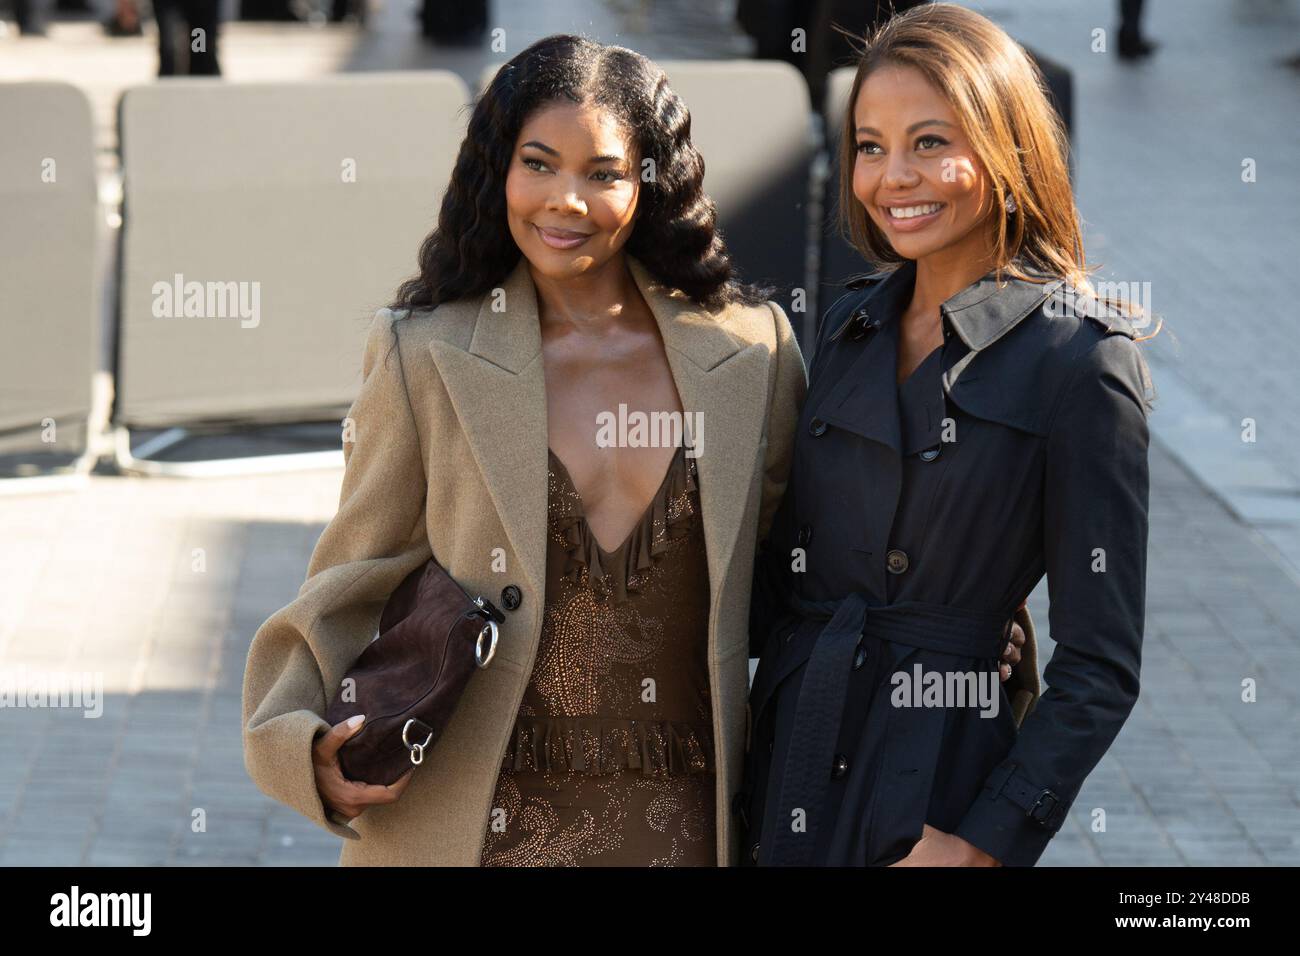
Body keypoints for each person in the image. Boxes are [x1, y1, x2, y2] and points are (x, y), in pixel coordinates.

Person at [240, 32, 1030, 867]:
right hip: (467, 823)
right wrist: (298, 743)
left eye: (603, 174)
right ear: (496, 172)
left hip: (683, 822)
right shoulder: (424, 354)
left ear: (651, 183)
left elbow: (817, 564)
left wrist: (959, 626)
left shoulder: (752, 354)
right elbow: (354, 577)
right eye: (537, 164)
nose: (564, 201)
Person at [739, 2, 1152, 867]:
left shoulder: (1081, 361)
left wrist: (981, 844)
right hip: (789, 765)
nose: (893, 176)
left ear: (1006, 149)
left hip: (932, 790)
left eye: (931, 142)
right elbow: (784, 575)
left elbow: (1101, 668)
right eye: (870, 145)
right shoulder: (850, 325)